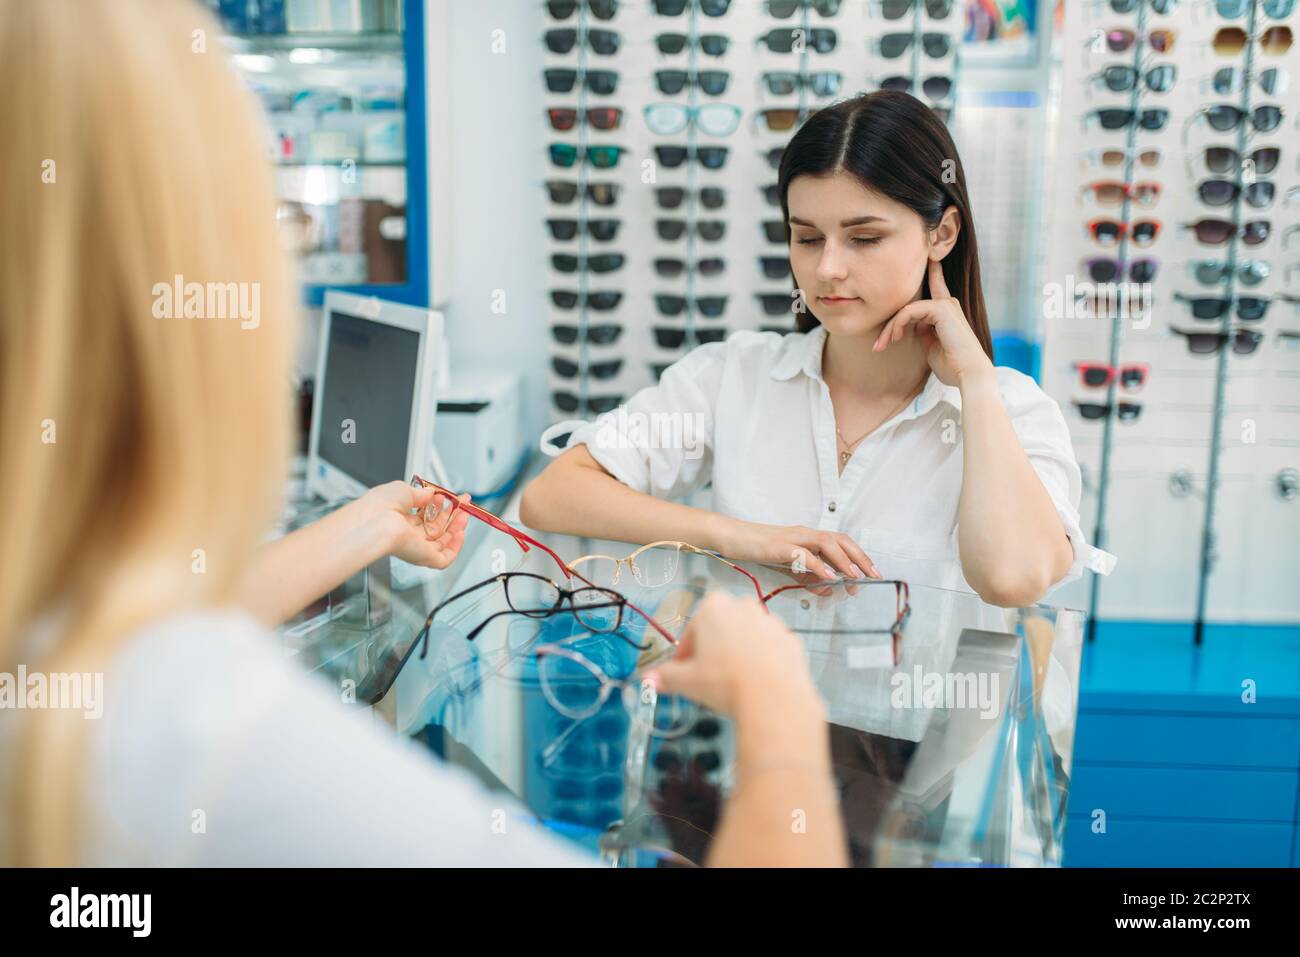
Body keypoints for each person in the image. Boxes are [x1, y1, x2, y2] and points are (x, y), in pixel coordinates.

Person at [0, 0, 845, 868]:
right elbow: (555, 492)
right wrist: (783, 721)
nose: (831, 268)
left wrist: (365, 524)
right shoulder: (205, 743)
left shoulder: (57, 649)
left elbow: (147, 633)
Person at [522, 90, 1114, 607]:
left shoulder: (1010, 409)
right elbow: (553, 496)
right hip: (764, 726)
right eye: (806, 237)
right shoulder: (734, 376)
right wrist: (739, 536)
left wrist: (978, 387)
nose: (827, 268)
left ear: (943, 234)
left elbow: (1012, 579)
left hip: (923, 734)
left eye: (864, 237)